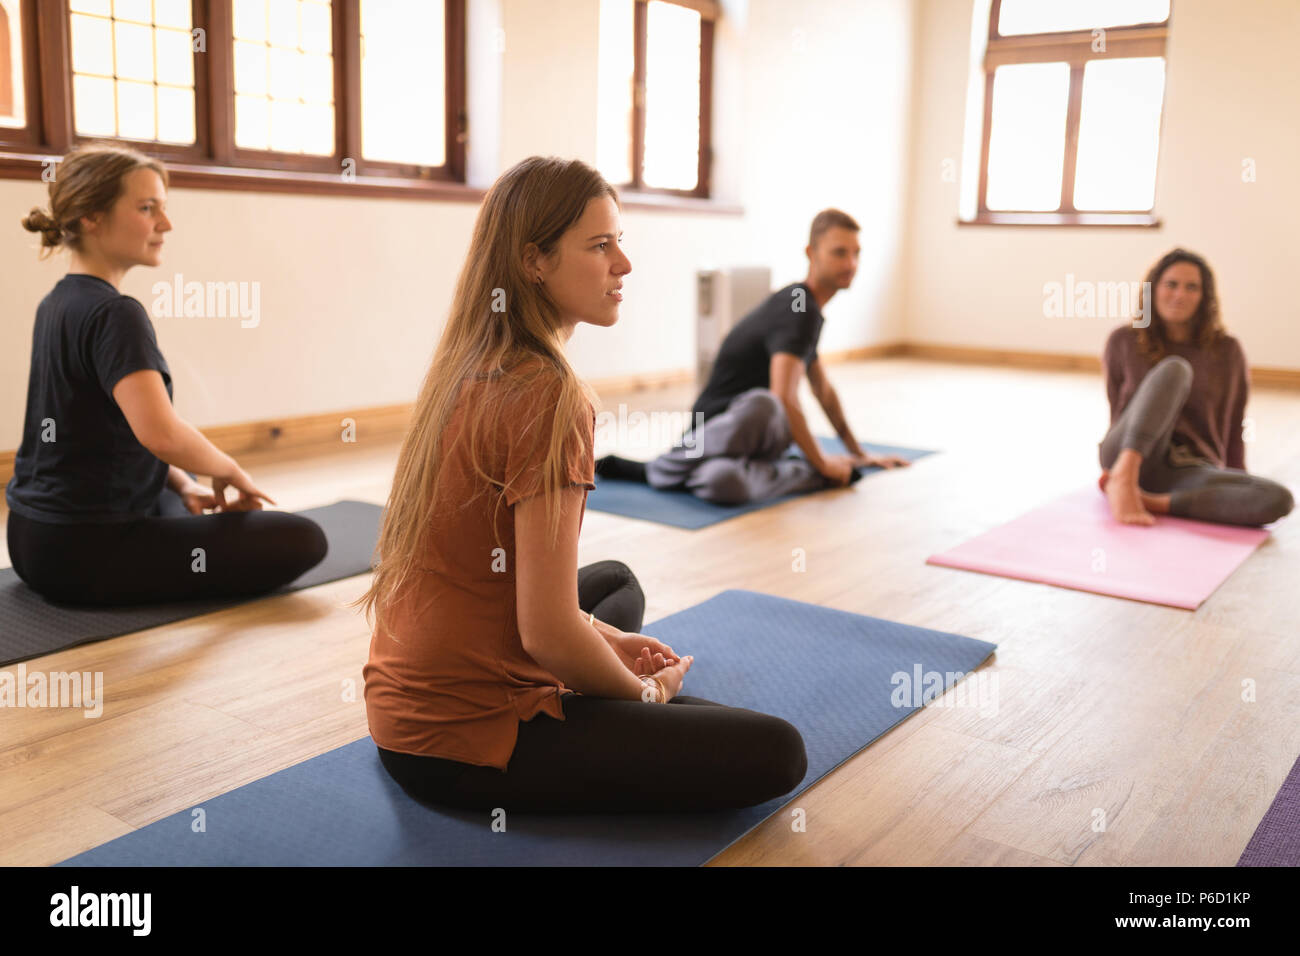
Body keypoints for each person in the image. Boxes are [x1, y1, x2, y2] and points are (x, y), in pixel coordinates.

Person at [356, 156, 807, 813]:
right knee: (775, 750)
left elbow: (534, 609)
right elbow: (544, 634)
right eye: (601, 246)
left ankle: (599, 668)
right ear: (533, 261)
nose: (623, 265)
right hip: (454, 743)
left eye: (619, 242)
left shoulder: (467, 361)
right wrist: (644, 697)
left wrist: (608, 642)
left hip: (398, 706)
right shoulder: (549, 394)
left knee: (617, 586)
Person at [6, 142, 327, 605]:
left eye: (163, 208)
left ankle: (176, 503)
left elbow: (101, 433)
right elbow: (162, 434)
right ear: (91, 218)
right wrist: (230, 469)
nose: (165, 223)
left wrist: (184, 482)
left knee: (178, 501)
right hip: (85, 553)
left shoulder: (57, 302)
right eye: (146, 208)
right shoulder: (117, 313)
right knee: (303, 539)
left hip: (30, 538)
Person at [597, 208, 909, 504]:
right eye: (840, 252)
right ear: (811, 254)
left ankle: (669, 472)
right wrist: (824, 464)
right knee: (747, 439)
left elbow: (823, 391)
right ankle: (665, 469)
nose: (851, 263)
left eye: (856, 254)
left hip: (758, 441)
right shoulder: (798, 307)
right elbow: (784, 399)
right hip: (716, 430)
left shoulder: (807, 310)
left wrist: (858, 453)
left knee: (742, 448)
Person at [1098, 248, 1293, 527]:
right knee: (1175, 369)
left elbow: (1234, 421)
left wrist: (1235, 479)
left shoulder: (1227, 350)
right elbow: (1117, 407)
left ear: (1204, 298)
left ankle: (1153, 501)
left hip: (1186, 469)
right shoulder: (1123, 340)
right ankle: (1123, 477)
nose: (1180, 295)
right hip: (1129, 452)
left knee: (1278, 498)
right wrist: (1118, 463)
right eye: (1171, 284)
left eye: (1192, 287)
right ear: (1154, 289)